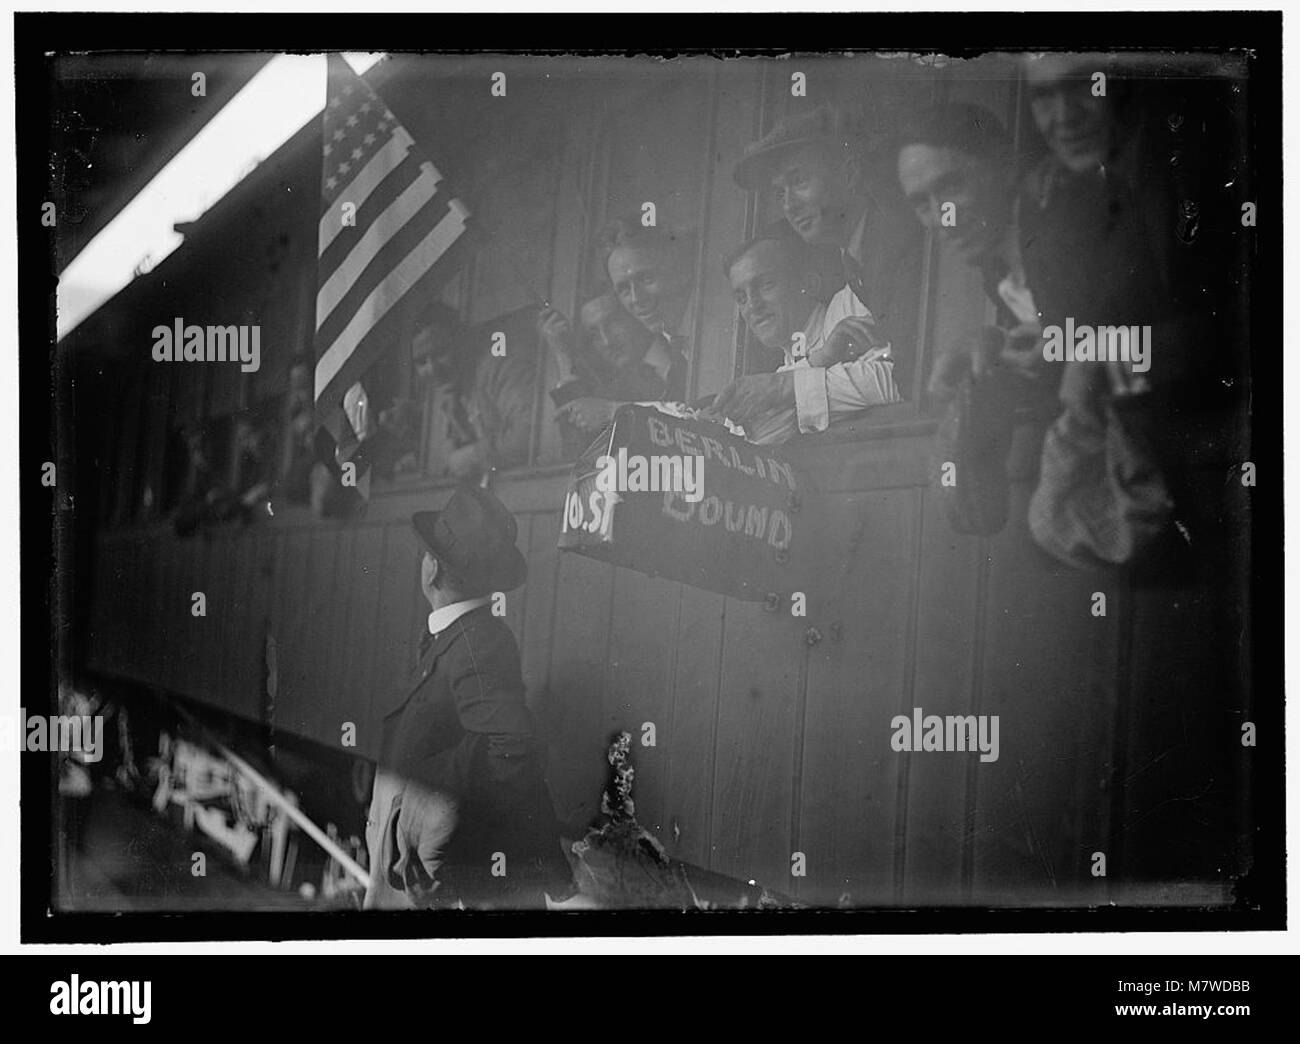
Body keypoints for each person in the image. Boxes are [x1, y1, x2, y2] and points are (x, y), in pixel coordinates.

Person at [363, 484, 573, 909]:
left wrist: (426, 794)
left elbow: (513, 746)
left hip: (448, 886)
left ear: (433, 569)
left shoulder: (478, 644)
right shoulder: (461, 636)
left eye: (426, 554)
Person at [894, 102, 1057, 534]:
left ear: (1004, 165)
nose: (941, 219)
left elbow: (1161, 341)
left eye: (949, 186)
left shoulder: (1064, 226)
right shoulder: (997, 265)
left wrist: (1067, 347)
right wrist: (985, 347)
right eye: (921, 204)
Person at [713, 107, 922, 436]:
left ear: (850, 175)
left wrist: (786, 385)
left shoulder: (895, 243)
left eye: (799, 181)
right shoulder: (855, 261)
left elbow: (907, 377)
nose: (788, 205)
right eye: (780, 193)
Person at [723, 230, 867, 445]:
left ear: (809, 285)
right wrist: (818, 362)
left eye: (766, 285)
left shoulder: (849, 306)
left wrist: (786, 387)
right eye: (741, 298)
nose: (753, 306)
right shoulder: (788, 362)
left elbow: (892, 380)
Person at [539, 293, 687, 456]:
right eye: (594, 334)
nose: (607, 341)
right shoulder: (618, 389)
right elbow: (580, 455)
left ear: (634, 317)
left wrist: (614, 412)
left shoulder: (685, 354)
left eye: (613, 322)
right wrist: (563, 355)